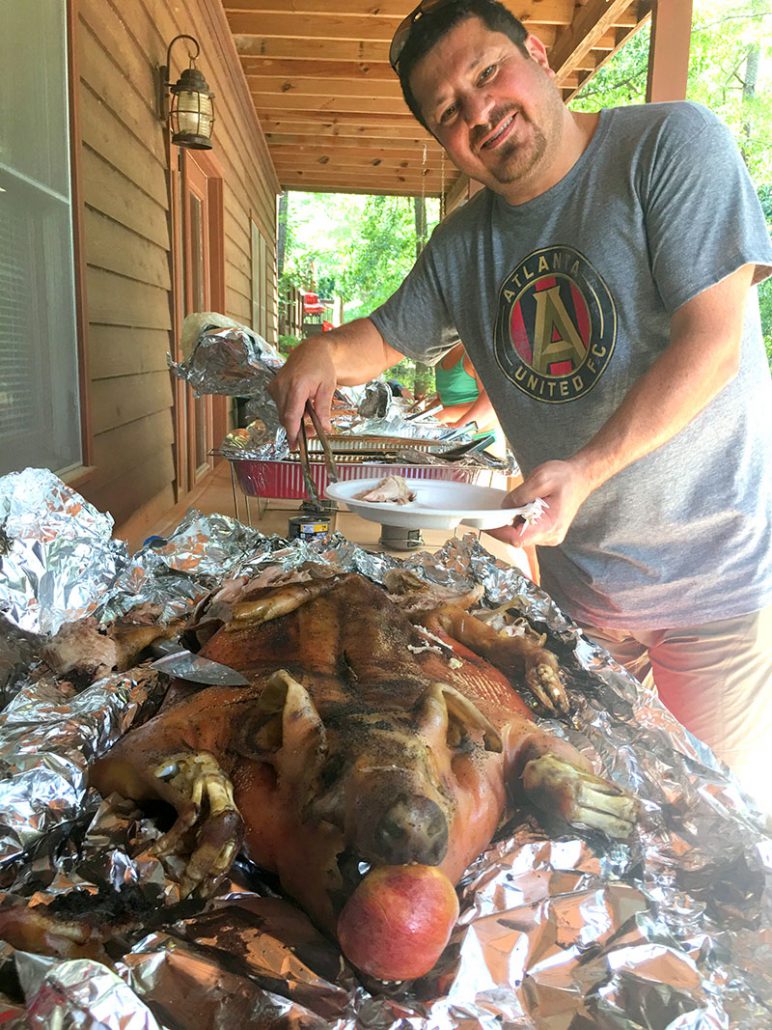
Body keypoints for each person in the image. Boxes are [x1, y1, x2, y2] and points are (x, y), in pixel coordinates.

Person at [269, 0, 772, 805]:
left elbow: (713, 345)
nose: (479, 113)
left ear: (537, 54)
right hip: (582, 598)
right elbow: (383, 338)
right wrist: (323, 352)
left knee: (707, 825)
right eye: (448, 111)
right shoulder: (463, 244)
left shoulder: (668, 144)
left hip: (714, 584)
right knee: (586, 818)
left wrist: (585, 467)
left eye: (486, 73)